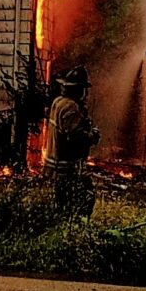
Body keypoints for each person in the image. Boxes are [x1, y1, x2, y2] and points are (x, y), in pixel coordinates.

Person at [42, 64, 99, 218]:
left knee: (62, 203)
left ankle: (61, 226)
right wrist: (92, 136)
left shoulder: (58, 102)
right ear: (79, 89)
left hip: (54, 167)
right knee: (86, 198)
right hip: (66, 168)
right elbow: (76, 138)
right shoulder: (71, 108)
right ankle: (73, 230)